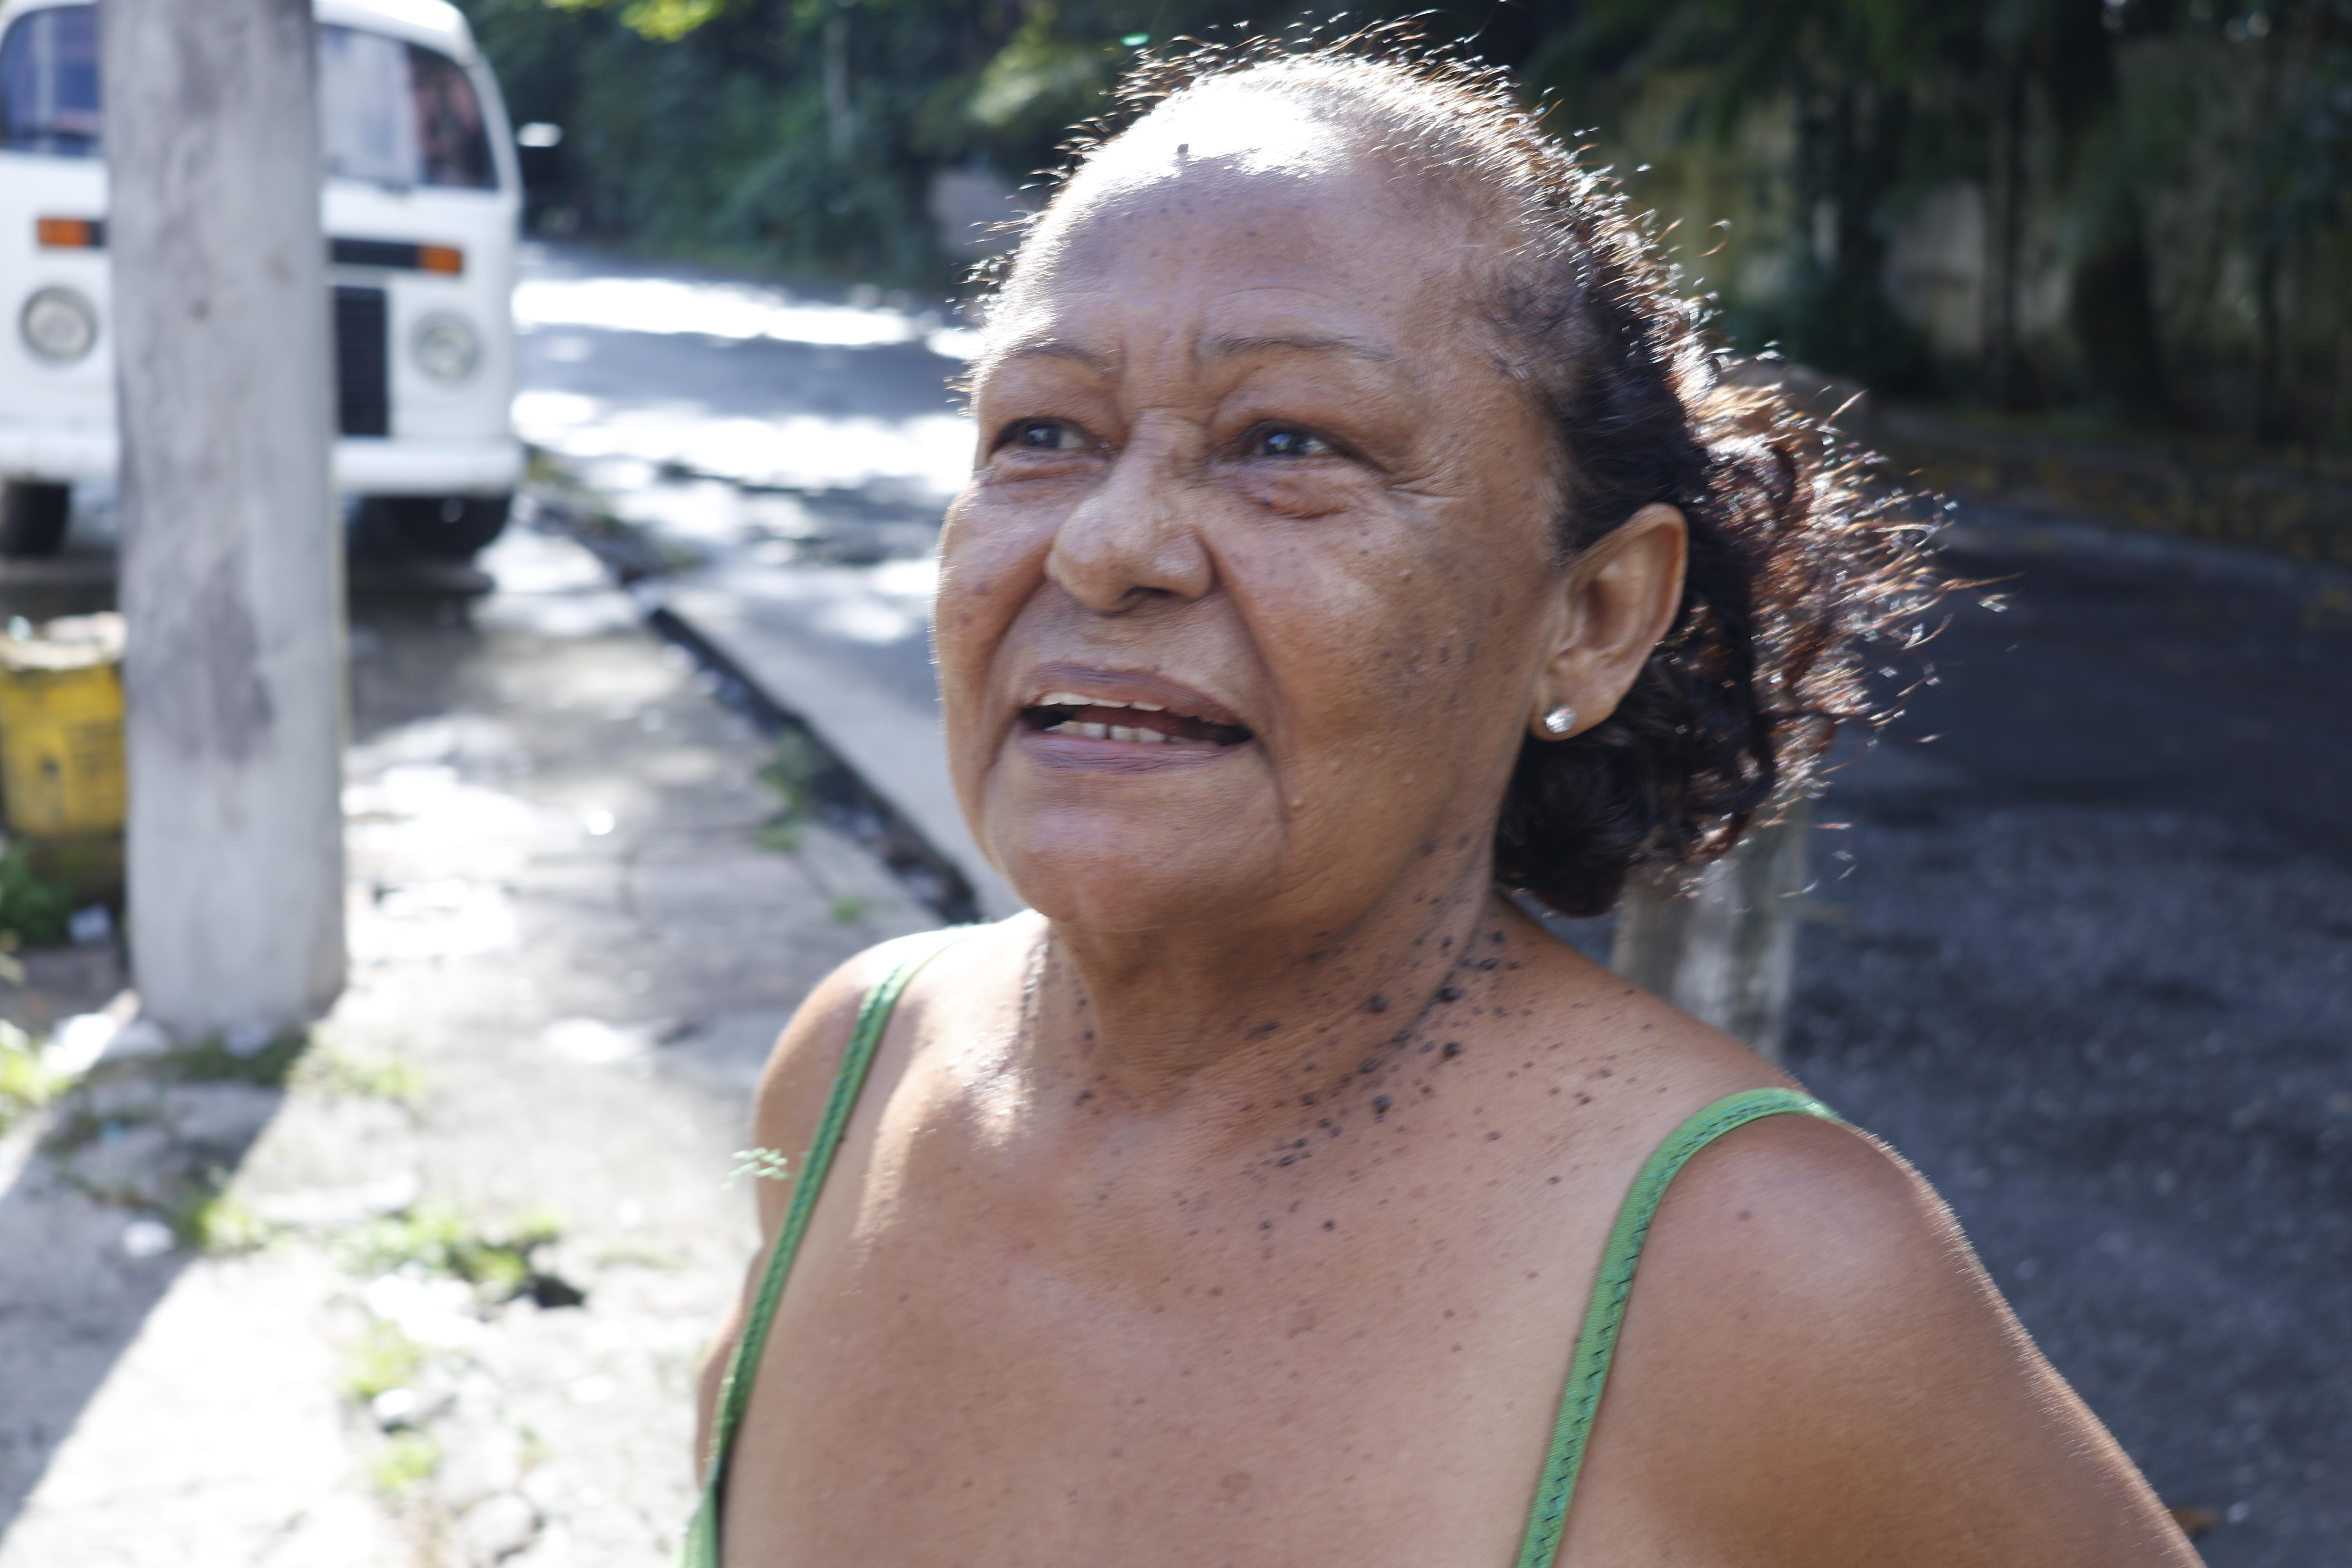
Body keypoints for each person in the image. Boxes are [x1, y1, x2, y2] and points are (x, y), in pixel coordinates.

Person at [689, 39, 2199, 1568]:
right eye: (1042, 433)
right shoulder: (849, 1075)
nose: (1107, 543)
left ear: (1596, 613)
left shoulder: (1760, 1274)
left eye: (1291, 443)